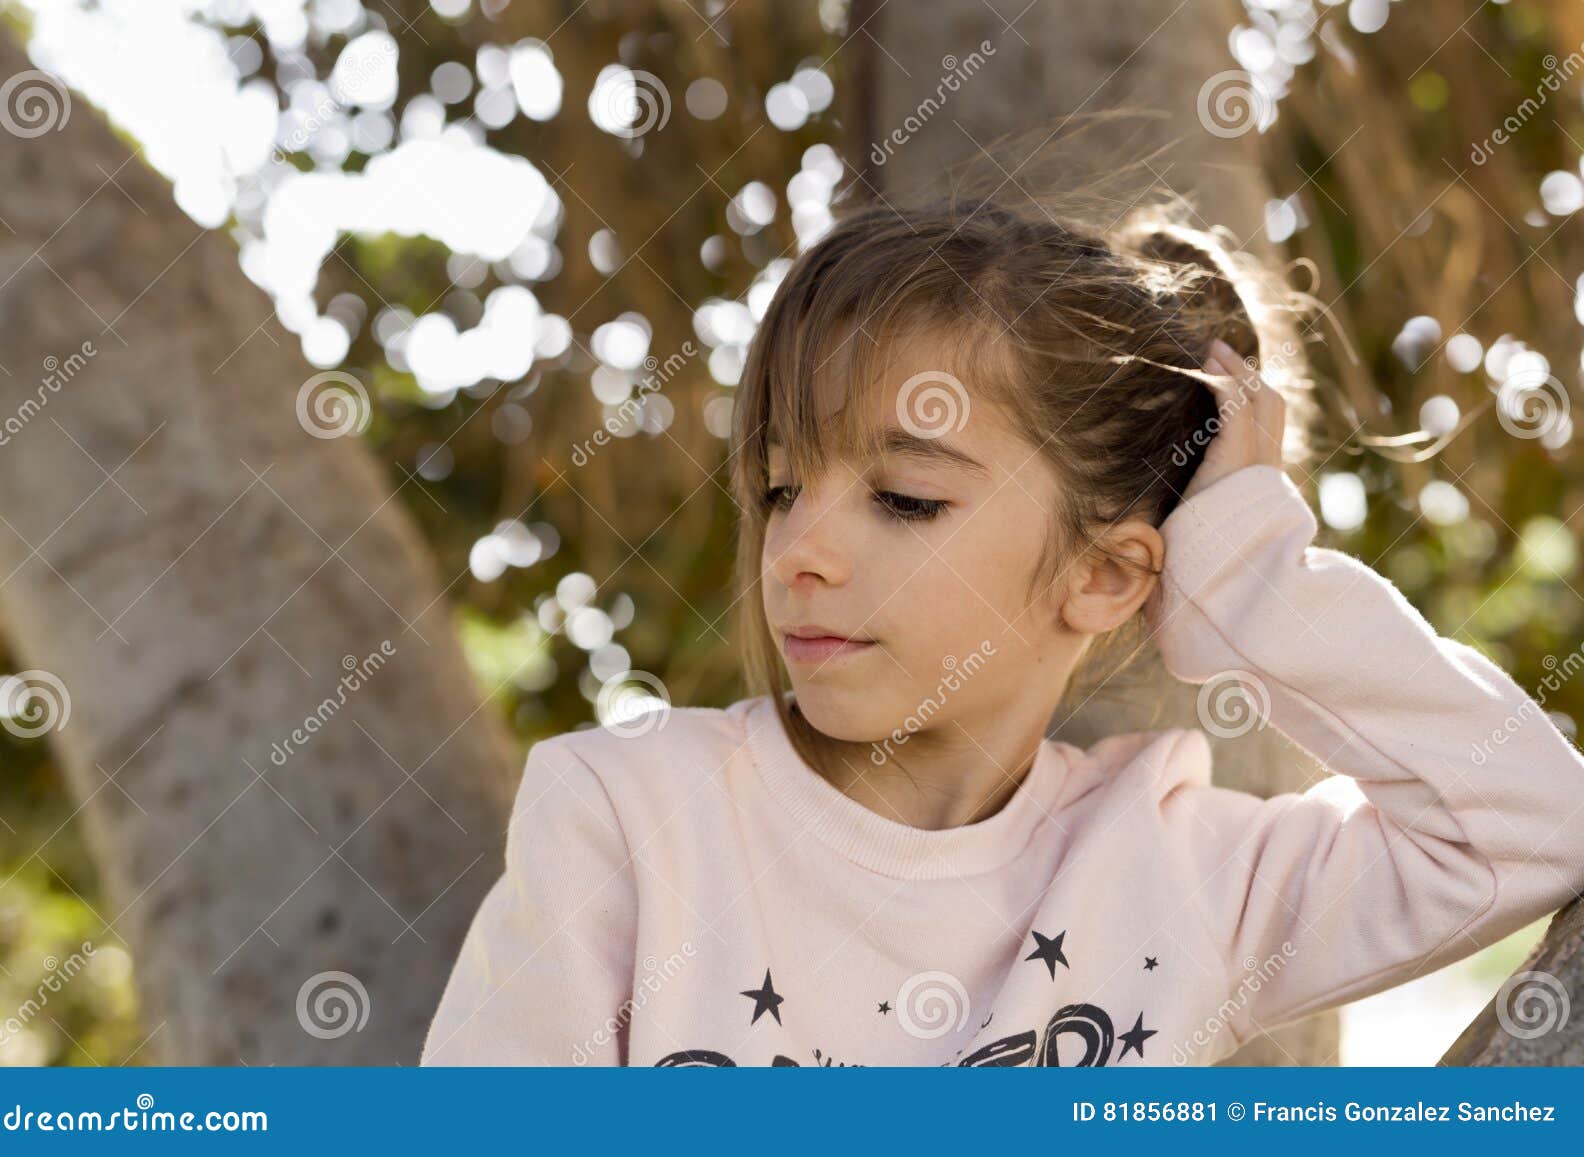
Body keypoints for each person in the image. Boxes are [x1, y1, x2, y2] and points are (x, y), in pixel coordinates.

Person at [419, 193, 1584, 1067]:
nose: (797, 550)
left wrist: (1248, 576)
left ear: (1105, 574)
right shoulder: (627, 815)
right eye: (779, 488)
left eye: (903, 499)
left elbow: (1530, 821)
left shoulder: (1180, 875)